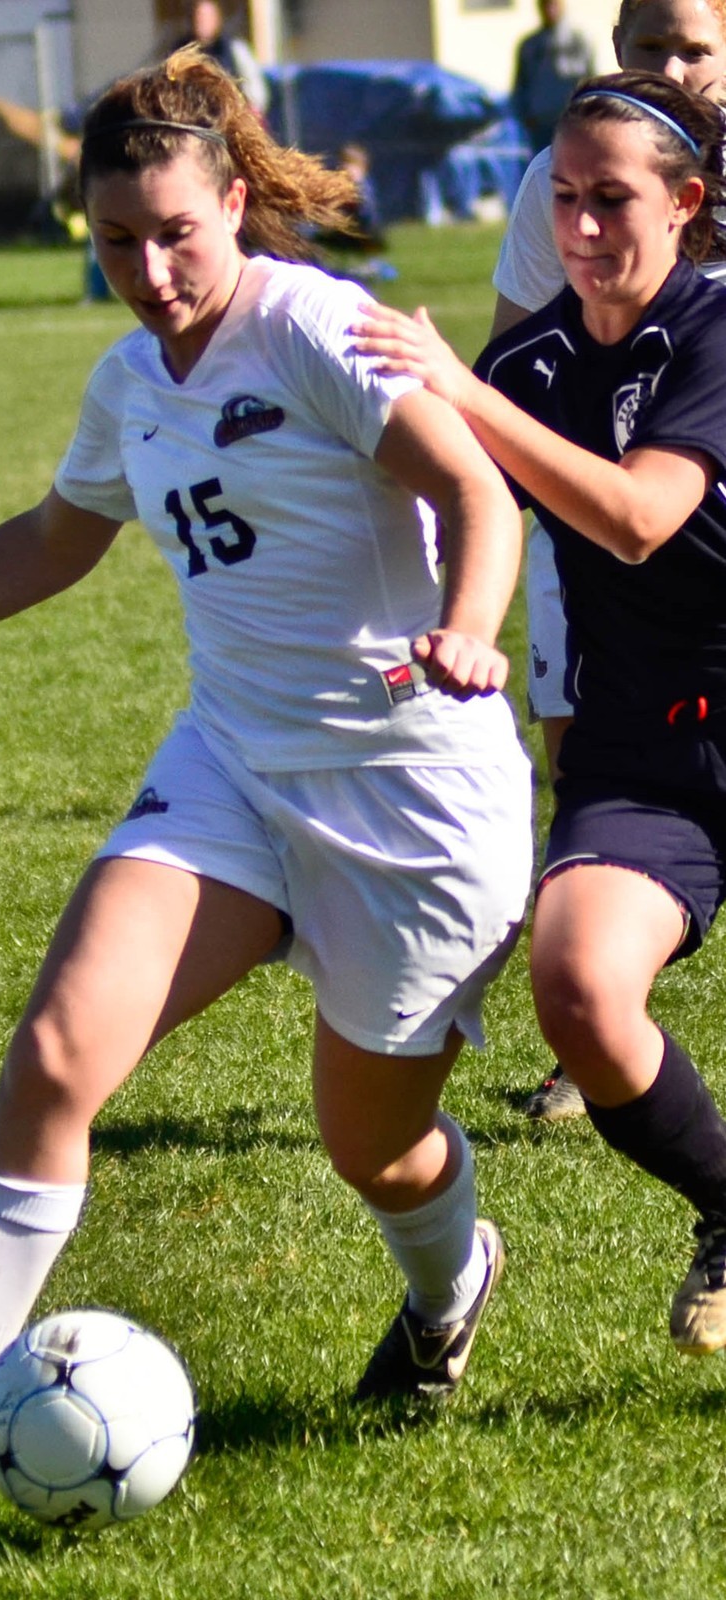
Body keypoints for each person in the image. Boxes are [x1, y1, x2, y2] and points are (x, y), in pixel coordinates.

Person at [0, 48, 532, 1492]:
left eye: (176, 232)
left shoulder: (314, 328)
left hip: (412, 791)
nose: (152, 269)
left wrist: (466, 632)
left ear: (234, 200)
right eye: (116, 240)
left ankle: (448, 1280)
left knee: (371, 1150)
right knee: (54, 1056)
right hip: (232, 767)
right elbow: (55, 539)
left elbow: (476, 491)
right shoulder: (129, 381)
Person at [351, 70, 726, 1367]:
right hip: (648, 755)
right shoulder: (531, 362)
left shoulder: (716, 333)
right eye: (559, 199)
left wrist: (464, 394)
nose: (576, 228)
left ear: (683, 206)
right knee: (572, 986)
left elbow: (632, 518)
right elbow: (452, 509)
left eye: (608, 200)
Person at [493, 0, 726, 1120]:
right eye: (649, 45)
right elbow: (509, 375)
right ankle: (595, 1024)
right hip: (606, 563)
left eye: (695, 46)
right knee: (580, 930)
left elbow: (647, 510)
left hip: (671, 521)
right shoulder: (569, 174)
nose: (579, 226)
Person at [512, 0, 596, 156]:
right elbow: (520, 86)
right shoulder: (530, 45)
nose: (550, 9)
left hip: (572, 122)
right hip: (541, 126)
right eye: (545, 5)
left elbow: (590, 81)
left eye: (554, 4)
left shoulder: (578, 41)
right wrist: (525, 117)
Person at [174, 1, 270, 119]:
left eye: (207, 18)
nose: (202, 22)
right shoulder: (180, 52)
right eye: (199, 17)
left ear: (217, 19)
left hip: (231, 117)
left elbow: (254, 86)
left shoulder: (234, 48)